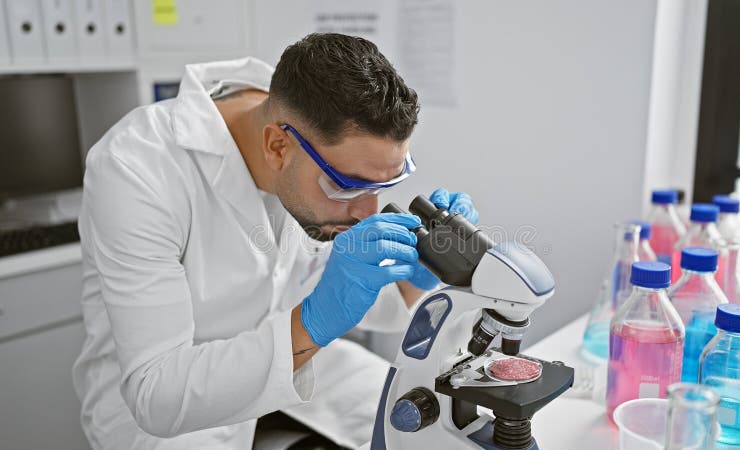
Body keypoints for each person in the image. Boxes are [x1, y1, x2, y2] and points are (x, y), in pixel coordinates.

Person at [72, 33, 479, 449]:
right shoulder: (136, 169)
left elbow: (366, 306)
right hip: (166, 405)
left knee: (430, 424)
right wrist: (318, 317)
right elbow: (155, 396)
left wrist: (419, 272)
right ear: (277, 146)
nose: (368, 212)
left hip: (288, 357)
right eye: (348, 187)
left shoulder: (313, 136)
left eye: (383, 185)